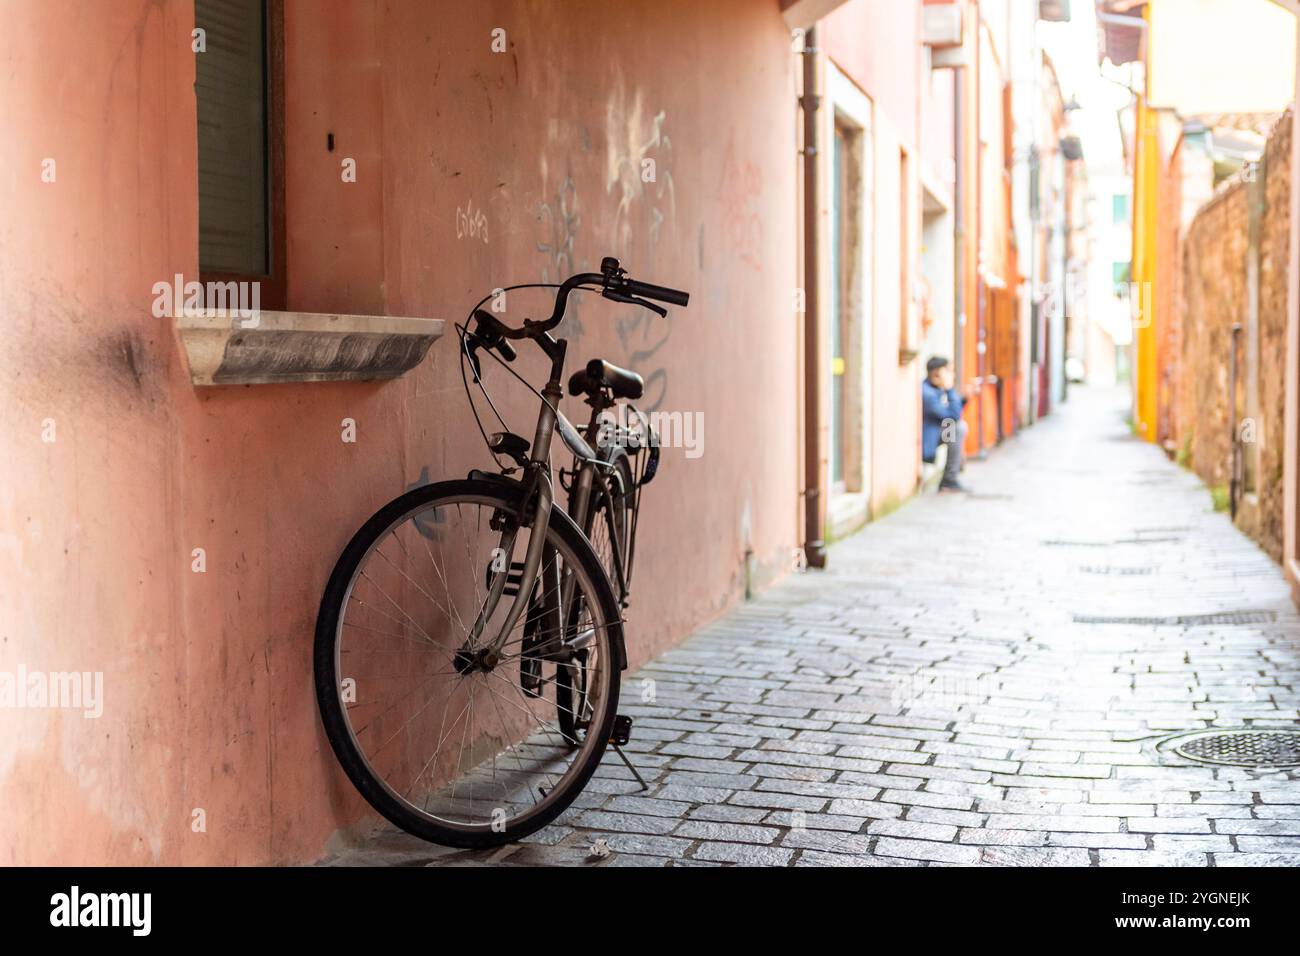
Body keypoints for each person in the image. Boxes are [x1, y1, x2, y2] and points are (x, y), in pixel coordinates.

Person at [922, 356, 971, 493]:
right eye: (948, 371)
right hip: (927, 441)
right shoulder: (928, 394)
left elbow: (950, 414)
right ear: (937, 373)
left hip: (934, 434)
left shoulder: (934, 389)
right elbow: (952, 416)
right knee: (958, 428)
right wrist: (949, 389)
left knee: (957, 427)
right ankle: (949, 479)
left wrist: (965, 399)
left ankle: (952, 474)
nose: (952, 374)